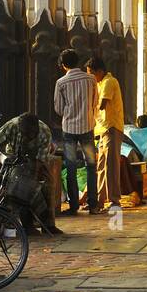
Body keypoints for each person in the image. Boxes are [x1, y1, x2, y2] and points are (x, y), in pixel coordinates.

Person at [0, 113, 62, 236]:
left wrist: (32, 180)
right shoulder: (12, 126)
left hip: (35, 159)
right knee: (18, 186)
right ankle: (27, 225)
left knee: (48, 184)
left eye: (31, 135)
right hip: (13, 157)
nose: (28, 137)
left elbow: (40, 160)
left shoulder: (44, 132)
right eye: (25, 134)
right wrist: (0, 163)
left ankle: (49, 225)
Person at [86, 56, 137, 210]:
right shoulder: (100, 83)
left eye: (91, 74)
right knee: (101, 165)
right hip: (102, 129)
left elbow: (102, 105)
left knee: (111, 165)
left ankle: (114, 200)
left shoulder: (109, 82)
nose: (91, 77)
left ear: (99, 71)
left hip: (111, 128)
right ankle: (100, 200)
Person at [54, 48, 99, 214]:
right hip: (87, 126)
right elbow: (96, 101)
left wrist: (70, 112)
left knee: (71, 167)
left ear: (64, 65)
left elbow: (58, 108)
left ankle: (73, 206)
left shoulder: (61, 83)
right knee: (91, 166)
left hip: (69, 129)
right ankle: (93, 205)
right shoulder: (91, 79)